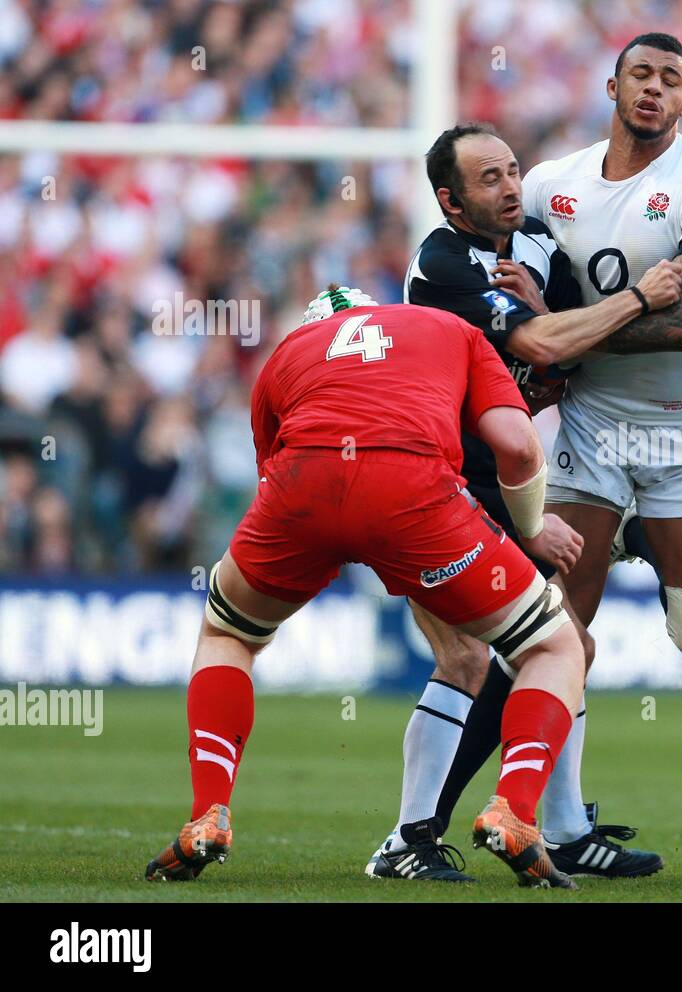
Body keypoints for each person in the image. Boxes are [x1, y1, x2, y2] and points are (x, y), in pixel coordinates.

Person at [145, 286, 590, 889]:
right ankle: (514, 807)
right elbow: (517, 444)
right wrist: (532, 529)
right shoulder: (443, 327)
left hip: (305, 490)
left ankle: (209, 813)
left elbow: (274, 471)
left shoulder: (285, 355)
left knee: (228, 633)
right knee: (553, 646)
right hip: (415, 496)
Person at [366, 122, 681, 882]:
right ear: (451, 200)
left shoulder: (539, 242)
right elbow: (543, 346)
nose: (510, 188)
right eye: (488, 180)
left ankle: (562, 828)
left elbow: (576, 343)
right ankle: (408, 840)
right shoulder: (440, 265)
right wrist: (638, 297)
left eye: (513, 171)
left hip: (500, 482)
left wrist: (552, 311)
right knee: (473, 655)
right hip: (433, 483)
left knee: (562, 644)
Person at [520, 31, 682, 694]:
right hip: (591, 426)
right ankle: (552, 802)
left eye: (670, 79)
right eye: (641, 74)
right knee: (553, 636)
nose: (653, 87)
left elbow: (680, 326)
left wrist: (558, 336)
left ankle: (643, 528)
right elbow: (512, 303)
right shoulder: (547, 185)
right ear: (612, 87)